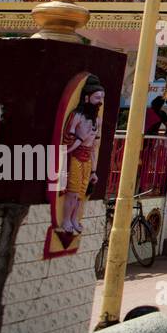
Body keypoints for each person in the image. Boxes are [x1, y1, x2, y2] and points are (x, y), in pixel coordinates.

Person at [60, 75, 105, 235]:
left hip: (87, 159)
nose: (100, 101)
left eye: (101, 98)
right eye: (97, 97)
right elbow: (65, 146)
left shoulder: (97, 121)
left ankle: (74, 219)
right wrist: (81, 138)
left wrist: (94, 170)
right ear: (87, 97)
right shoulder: (77, 116)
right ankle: (66, 219)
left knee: (81, 193)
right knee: (72, 192)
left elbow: (94, 147)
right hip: (75, 156)